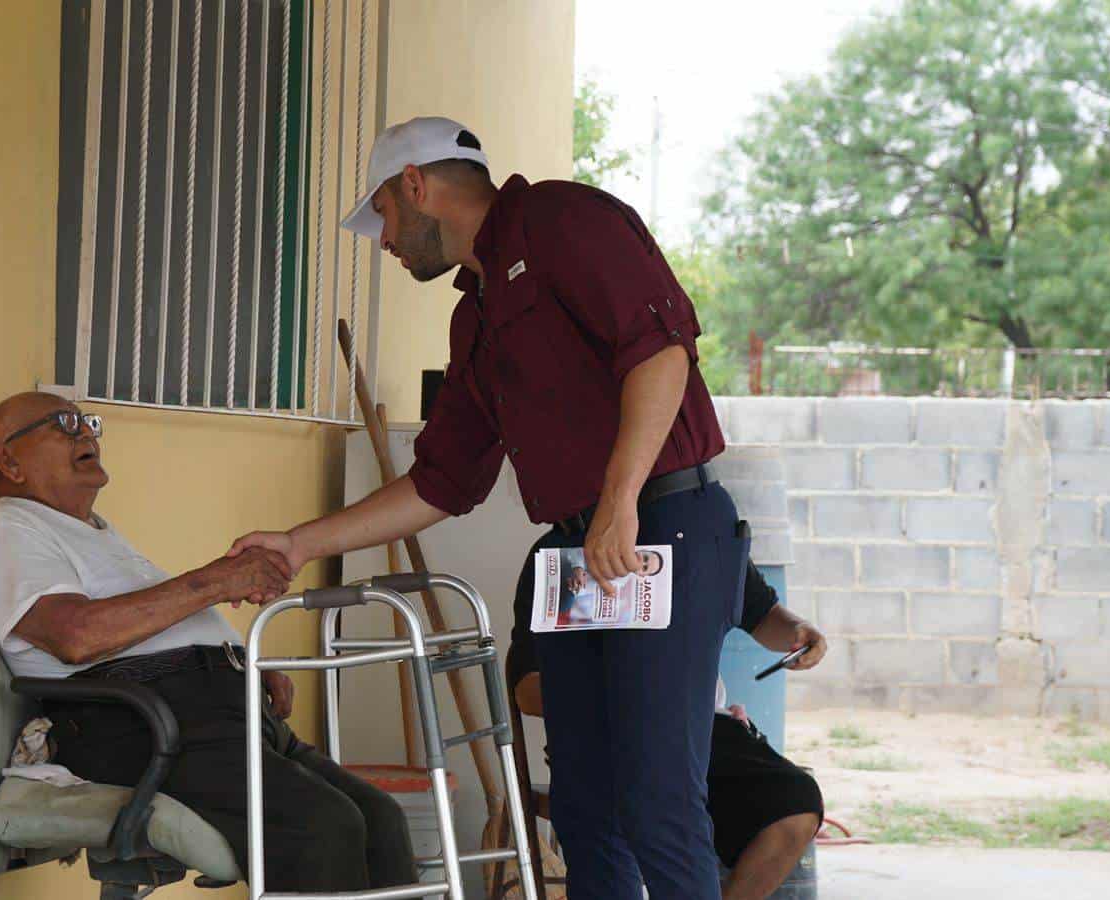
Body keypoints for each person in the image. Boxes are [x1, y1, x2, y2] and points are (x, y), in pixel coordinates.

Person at [230, 116, 746, 899]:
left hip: (661, 530)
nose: (384, 241)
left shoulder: (564, 218)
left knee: (658, 801)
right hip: (579, 554)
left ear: (415, 185)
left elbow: (662, 349)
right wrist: (300, 542)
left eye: (384, 217)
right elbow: (442, 482)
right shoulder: (474, 314)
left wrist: (619, 503)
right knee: (580, 806)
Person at [0, 391, 416, 891]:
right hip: (143, 725)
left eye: (87, 421)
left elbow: (148, 628)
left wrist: (241, 666)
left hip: (217, 718)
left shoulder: (90, 532)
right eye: (62, 423)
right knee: (320, 826)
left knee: (382, 821)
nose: (85, 432)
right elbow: (75, 636)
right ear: (8, 460)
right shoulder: (10, 529)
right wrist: (216, 581)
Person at [510, 560, 829, 900]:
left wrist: (799, 631)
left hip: (701, 723)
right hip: (607, 724)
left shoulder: (708, 537)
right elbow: (529, 692)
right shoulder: (567, 555)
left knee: (794, 804)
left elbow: (764, 614)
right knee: (624, 834)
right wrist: (633, 694)